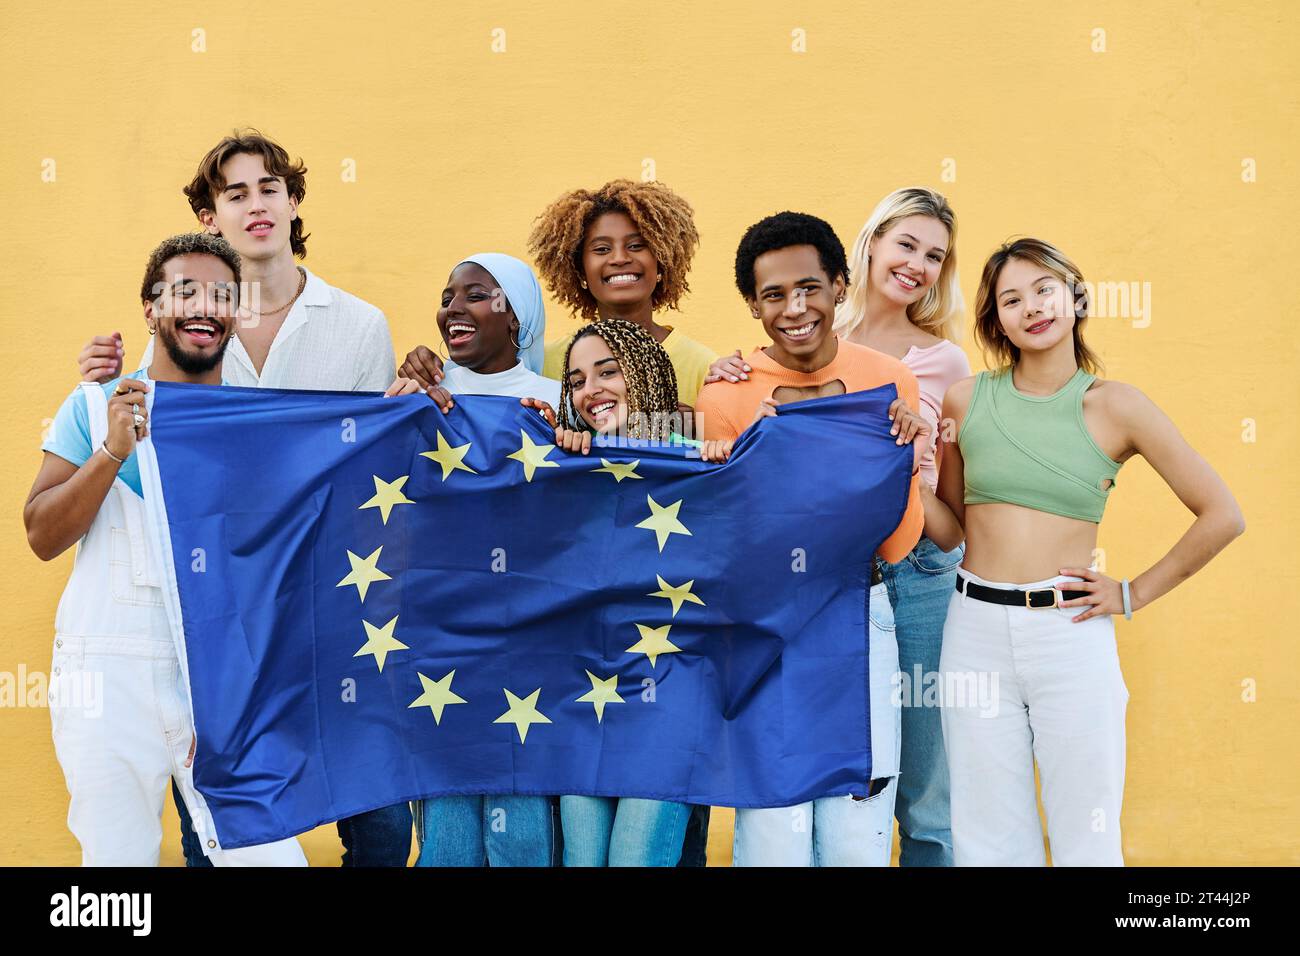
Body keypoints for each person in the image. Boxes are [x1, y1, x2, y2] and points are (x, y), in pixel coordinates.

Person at [75, 130, 406, 867]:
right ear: (208, 216)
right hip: (223, 612)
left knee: (379, 818)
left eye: (270, 188)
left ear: (293, 203)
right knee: (220, 819)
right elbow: (143, 436)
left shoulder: (358, 326)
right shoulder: (187, 324)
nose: (256, 205)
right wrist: (93, 381)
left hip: (330, 602)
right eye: (235, 193)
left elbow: (371, 470)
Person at [934, 237, 1245, 866]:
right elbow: (950, 530)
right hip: (973, 632)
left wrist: (1131, 594)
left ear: (1075, 295)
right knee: (985, 832)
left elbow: (1223, 515)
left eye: (1044, 289)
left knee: (1087, 829)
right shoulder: (965, 400)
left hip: (1068, 633)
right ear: (997, 321)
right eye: (1011, 299)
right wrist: (913, 474)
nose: (1032, 308)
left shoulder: (1116, 406)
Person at [705, 187, 969, 865]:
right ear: (754, 305)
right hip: (768, 619)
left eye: (809, 289)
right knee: (773, 820)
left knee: (866, 812)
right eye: (773, 295)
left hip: (868, 604)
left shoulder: (894, 378)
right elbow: (719, 526)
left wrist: (902, 462)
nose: (793, 308)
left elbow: (902, 534)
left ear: (836, 285)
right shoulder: (728, 387)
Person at [26, 233, 306, 866]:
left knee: (269, 857)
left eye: (221, 295)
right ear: (150, 308)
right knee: (116, 867)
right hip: (106, 674)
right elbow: (42, 534)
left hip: (222, 674)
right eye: (183, 291)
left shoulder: (252, 424)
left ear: (236, 314)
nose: (203, 307)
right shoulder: (95, 404)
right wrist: (112, 452)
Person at [513, 319, 728, 866]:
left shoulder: (702, 461)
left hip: (670, 695)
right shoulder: (567, 465)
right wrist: (549, 450)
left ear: (647, 372)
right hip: (583, 694)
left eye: (608, 371)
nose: (592, 391)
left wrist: (741, 462)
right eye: (578, 381)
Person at [385, 253, 560, 866]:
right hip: (440, 637)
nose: (452, 308)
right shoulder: (418, 397)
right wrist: (395, 410)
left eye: (476, 295)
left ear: (516, 316)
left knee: (524, 831)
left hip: (531, 643)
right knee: (446, 830)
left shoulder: (556, 400)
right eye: (446, 295)